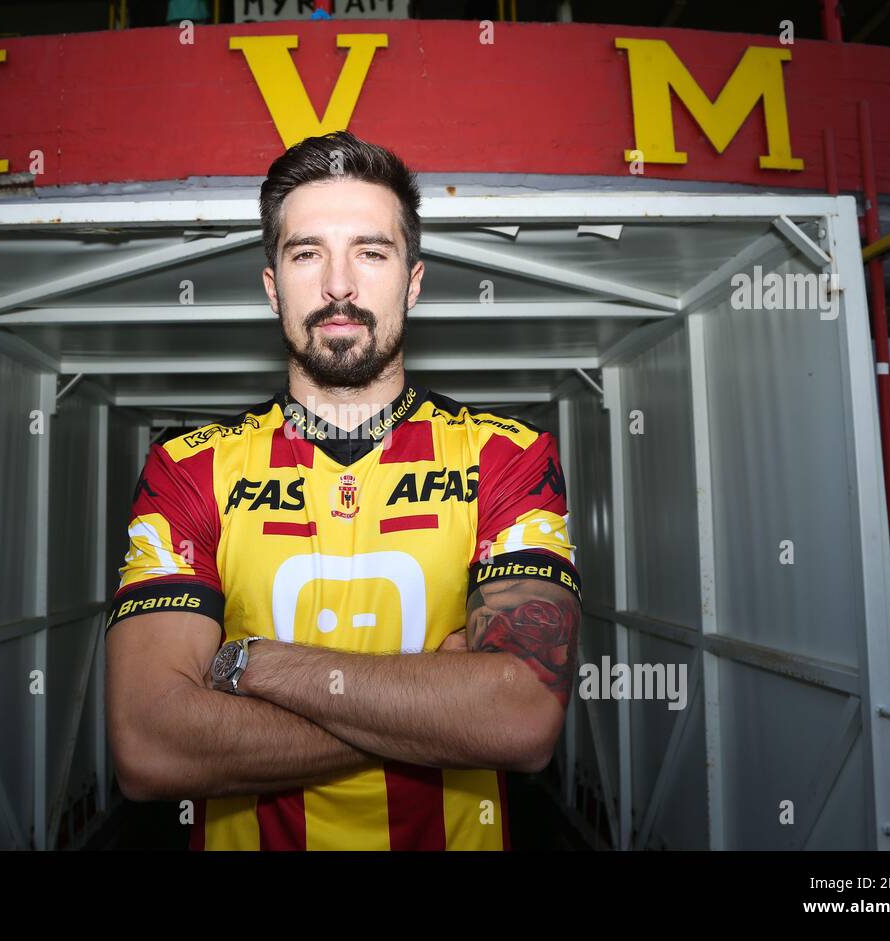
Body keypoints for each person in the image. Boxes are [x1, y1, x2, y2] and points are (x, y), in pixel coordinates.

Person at [104, 130, 581, 850]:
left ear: (412, 280)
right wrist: (440, 704)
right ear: (273, 286)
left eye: (371, 250)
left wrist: (249, 663)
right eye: (306, 254)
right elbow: (148, 746)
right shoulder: (186, 467)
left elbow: (522, 719)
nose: (338, 285)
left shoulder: (508, 455)